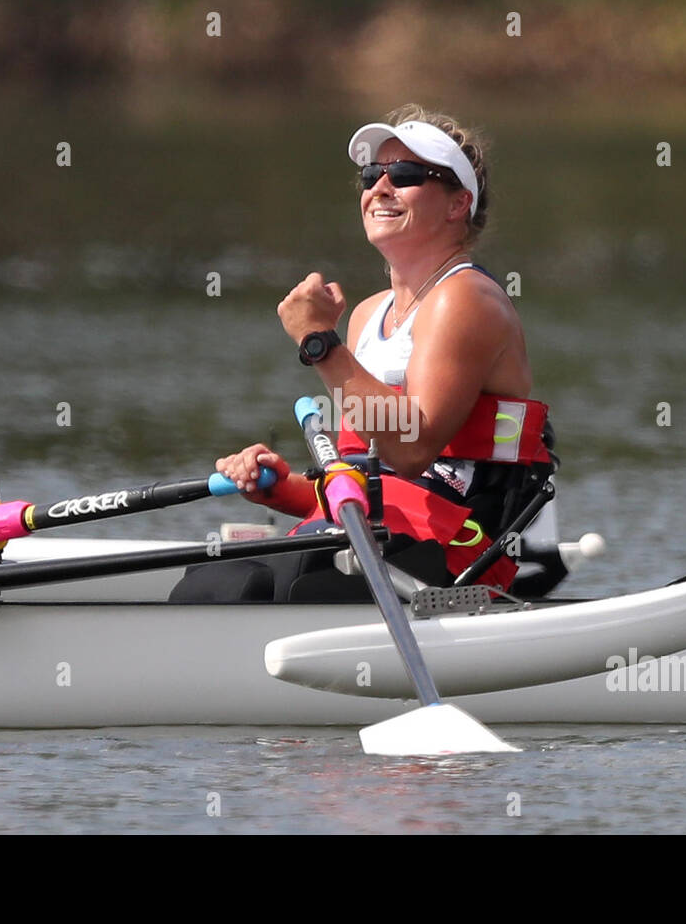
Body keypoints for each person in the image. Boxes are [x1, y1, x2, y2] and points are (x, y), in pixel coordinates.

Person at [182, 105, 554, 603]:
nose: (379, 187)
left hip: (457, 547)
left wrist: (318, 343)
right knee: (214, 582)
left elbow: (411, 448)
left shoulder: (463, 300)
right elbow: (362, 473)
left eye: (404, 175)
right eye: (370, 175)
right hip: (381, 527)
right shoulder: (367, 315)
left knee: (279, 580)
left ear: (457, 203)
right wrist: (279, 486)